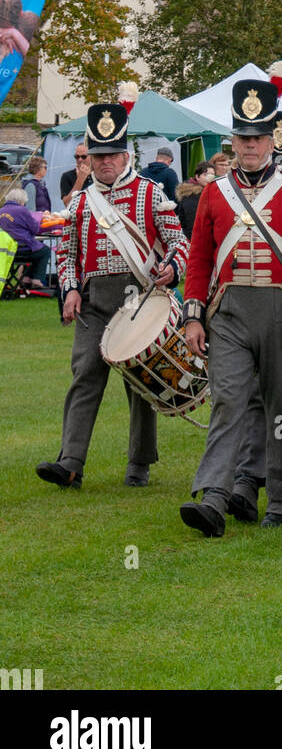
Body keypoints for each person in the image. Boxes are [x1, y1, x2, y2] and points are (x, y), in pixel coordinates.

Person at [180, 81, 282, 536]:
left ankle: (281, 495)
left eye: (258, 137)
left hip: (279, 309)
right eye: (242, 137)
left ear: (271, 140)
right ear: (233, 139)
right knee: (228, 400)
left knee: (281, 407)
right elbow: (200, 258)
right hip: (227, 310)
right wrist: (192, 314)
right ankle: (214, 494)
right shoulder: (214, 193)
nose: (249, 145)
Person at [35, 103, 188, 490]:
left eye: (111, 155)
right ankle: (70, 462)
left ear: (126, 155)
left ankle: (139, 462)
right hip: (94, 303)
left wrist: (172, 268)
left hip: (139, 300)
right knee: (84, 374)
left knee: (140, 382)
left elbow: (179, 243)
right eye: (98, 156)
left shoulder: (152, 194)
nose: (105, 163)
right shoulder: (83, 202)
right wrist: (69, 289)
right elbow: (67, 254)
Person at [0, 187, 52, 287]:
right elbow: (35, 229)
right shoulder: (22, 210)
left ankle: (26, 277)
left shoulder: (1, 211)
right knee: (45, 251)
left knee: (36, 249)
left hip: (6, 250)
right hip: (22, 248)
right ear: (21, 201)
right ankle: (38, 278)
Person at [175, 161, 214, 241]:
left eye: (212, 174)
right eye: (205, 175)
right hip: (197, 242)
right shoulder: (192, 195)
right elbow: (193, 225)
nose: (210, 177)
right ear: (197, 177)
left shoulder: (207, 193)